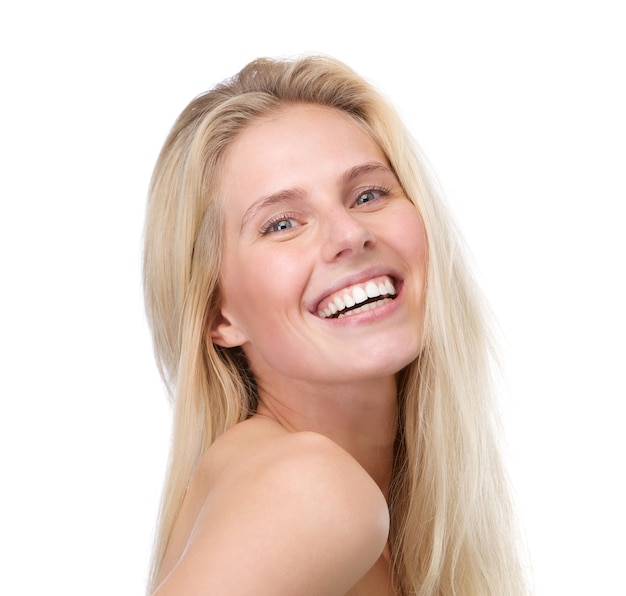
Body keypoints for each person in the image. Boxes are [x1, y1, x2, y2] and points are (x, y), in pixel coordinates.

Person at [143, 55, 527, 595]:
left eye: (368, 194)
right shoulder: (309, 490)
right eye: (282, 223)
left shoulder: (284, 478)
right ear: (218, 315)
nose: (349, 233)